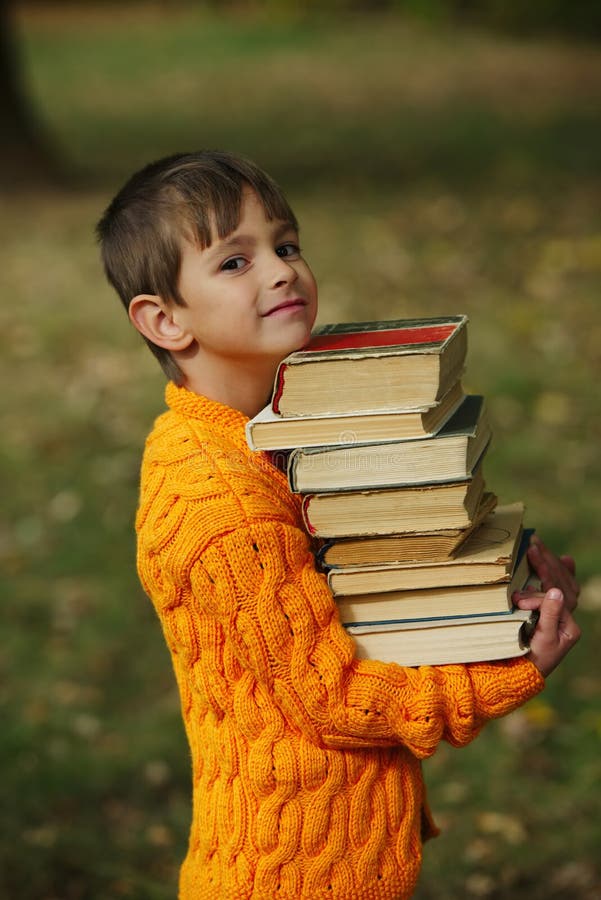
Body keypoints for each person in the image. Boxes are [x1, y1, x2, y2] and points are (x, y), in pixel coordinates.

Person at [96, 150, 581, 900]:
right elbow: (337, 699)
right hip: (289, 877)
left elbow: (341, 619)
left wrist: (484, 618)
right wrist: (512, 671)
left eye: (285, 245)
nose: (281, 271)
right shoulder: (220, 503)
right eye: (234, 262)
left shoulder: (265, 434)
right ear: (164, 320)